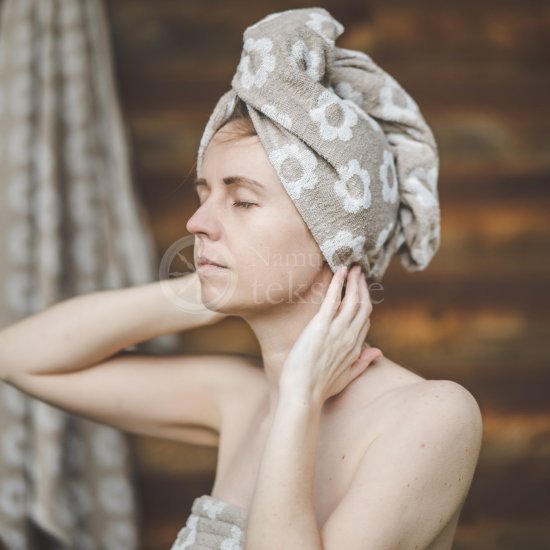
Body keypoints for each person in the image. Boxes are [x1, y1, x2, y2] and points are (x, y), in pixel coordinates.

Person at [0, 7, 483, 550]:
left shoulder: (431, 416)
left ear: (336, 236)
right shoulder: (238, 399)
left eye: (243, 200)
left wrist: (300, 401)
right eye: (204, 195)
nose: (197, 223)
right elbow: (17, 357)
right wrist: (201, 291)